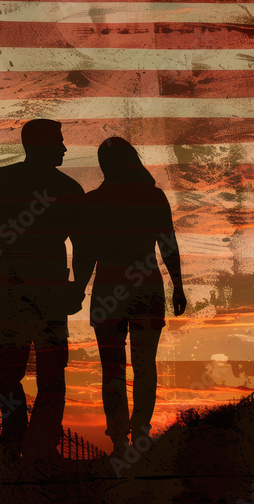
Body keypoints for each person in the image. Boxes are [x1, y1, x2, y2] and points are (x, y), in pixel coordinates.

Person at [0, 119, 88, 463]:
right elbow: (86, 245)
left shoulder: (4, 181)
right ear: (41, 146)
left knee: (16, 370)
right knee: (30, 371)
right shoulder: (58, 187)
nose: (64, 148)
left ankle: (32, 443)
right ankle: (28, 440)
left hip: (20, 294)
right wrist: (78, 288)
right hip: (33, 295)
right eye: (59, 142)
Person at [72, 137, 187, 457]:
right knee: (144, 365)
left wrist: (78, 290)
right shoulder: (152, 197)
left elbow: (85, 253)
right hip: (146, 286)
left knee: (113, 368)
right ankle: (139, 432)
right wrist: (178, 285)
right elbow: (168, 244)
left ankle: (120, 438)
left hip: (108, 288)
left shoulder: (92, 201)